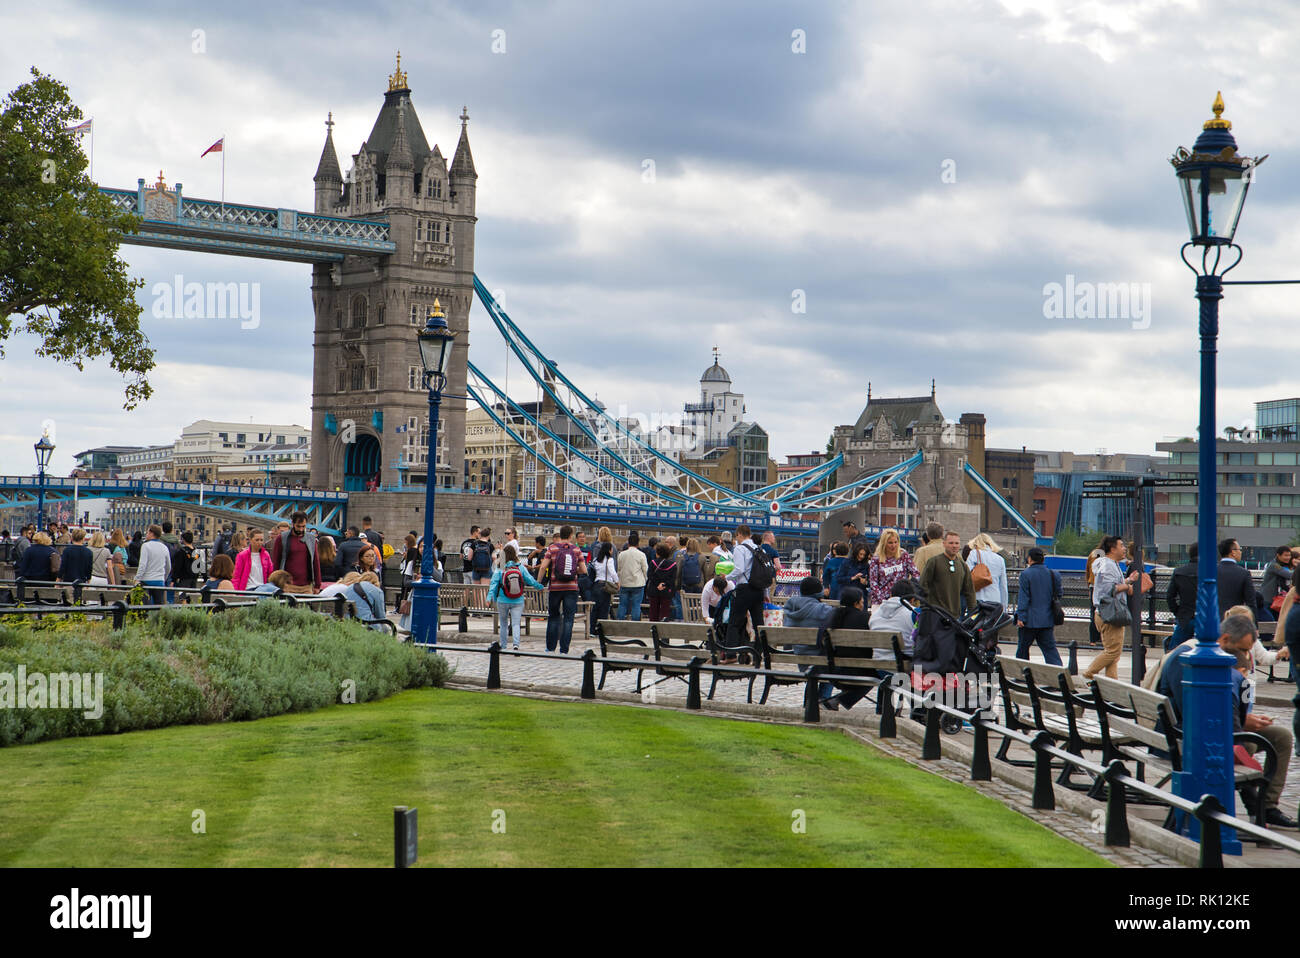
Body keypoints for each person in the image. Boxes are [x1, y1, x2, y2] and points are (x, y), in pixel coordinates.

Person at [1161, 613, 1296, 829]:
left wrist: (1244, 718)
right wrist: (1241, 723)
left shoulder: (1224, 665)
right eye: (1242, 650)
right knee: (1246, 742)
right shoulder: (1189, 656)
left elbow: (1224, 708)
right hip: (1186, 738)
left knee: (1281, 736)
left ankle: (1267, 806)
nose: (1244, 656)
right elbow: (1195, 714)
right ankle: (1255, 807)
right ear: (1224, 640)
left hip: (1214, 729)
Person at [1082, 535, 1140, 681]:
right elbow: (1108, 590)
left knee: (1113, 656)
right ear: (1113, 549)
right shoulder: (1108, 566)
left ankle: (1111, 686)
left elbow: (1107, 586)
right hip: (1110, 614)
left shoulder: (1108, 564)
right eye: (1121, 546)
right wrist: (1128, 587)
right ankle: (1088, 674)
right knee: (1113, 652)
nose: (1125, 548)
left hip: (1105, 613)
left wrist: (1128, 580)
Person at [782, 575, 836, 706]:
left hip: (800, 656)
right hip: (819, 659)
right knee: (832, 662)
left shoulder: (790, 608)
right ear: (819, 592)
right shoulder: (824, 610)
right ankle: (823, 699)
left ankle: (811, 701)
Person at [822, 587, 875, 710]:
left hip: (835, 669)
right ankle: (839, 700)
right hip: (860, 669)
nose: (863, 604)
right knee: (879, 674)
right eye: (862, 602)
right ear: (856, 603)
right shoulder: (865, 618)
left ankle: (836, 701)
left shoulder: (833, 616)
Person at [538, 525, 586, 653]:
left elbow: (543, 567)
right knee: (568, 618)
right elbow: (584, 570)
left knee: (553, 617)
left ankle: (550, 647)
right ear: (571, 536)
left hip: (555, 588)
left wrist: (539, 583)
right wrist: (573, 571)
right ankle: (564, 649)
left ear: (560, 535)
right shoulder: (576, 550)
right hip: (571, 588)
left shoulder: (552, 548)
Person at [488, 544, 543, 651]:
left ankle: (503, 646)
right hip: (518, 600)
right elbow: (530, 580)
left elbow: (493, 584)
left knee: (503, 624)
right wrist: (539, 586)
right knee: (516, 623)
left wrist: (489, 598)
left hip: (502, 600)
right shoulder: (520, 567)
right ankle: (516, 644)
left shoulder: (501, 568)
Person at [725, 525, 772, 649]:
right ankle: (760, 653)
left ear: (739, 534)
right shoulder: (760, 549)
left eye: (736, 536)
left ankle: (731, 653)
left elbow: (739, 569)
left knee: (734, 622)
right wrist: (766, 593)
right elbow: (763, 573)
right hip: (758, 590)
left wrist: (726, 577)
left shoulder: (740, 549)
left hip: (744, 590)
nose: (736, 539)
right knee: (758, 624)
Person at [1015, 547, 1063, 665]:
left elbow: (1024, 597)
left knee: (1023, 649)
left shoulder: (1025, 574)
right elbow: (1059, 594)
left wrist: (1021, 616)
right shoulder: (1053, 574)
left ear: (1030, 559)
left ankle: (1022, 674)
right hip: (1047, 619)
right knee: (1050, 650)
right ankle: (1058, 675)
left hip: (1029, 620)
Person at [917, 531, 977, 619]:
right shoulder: (934, 562)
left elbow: (970, 591)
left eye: (957, 543)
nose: (954, 546)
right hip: (935, 614)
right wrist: (926, 607)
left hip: (955, 616)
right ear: (944, 544)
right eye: (951, 543)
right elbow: (923, 585)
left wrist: (973, 614)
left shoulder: (963, 566)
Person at [272, 512, 323, 592]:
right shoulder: (281, 538)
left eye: (303, 526)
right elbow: (276, 561)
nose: (301, 529)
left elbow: (315, 562)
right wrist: (276, 584)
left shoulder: (311, 539)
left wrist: (317, 585)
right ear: (292, 523)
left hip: (306, 586)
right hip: (287, 585)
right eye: (298, 526)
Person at [869, 528, 919, 607]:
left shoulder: (903, 554)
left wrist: (912, 590)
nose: (893, 545)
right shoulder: (876, 559)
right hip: (882, 602)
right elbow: (873, 583)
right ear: (884, 544)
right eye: (890, 543)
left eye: (896, 542)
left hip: (902, 600)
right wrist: (883, 600)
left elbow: (915, 573)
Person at [872, 578, 918, 659]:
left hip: (878, 667)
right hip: (904, 667)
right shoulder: (914, 613)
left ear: (891, 595)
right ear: (912, 599)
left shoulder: (874, 615)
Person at [1165, 544, 1198, 651]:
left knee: (1175, 651)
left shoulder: (1179, 572)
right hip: (1205, 618)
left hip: (1185, 617)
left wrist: (1178, 612)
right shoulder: (1212, 572)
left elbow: (1170, 596)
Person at [965, 533, 1009, 609]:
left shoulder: (973, 554)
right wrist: (1004, 607)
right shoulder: (1000, 559)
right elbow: (1003, 586)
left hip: (977, 599)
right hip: (995, 599)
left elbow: (966, 575)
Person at [1217, 538, 1256, 617]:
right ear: (1233, 552)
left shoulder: (1210, 572)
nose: (1241, 552)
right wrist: (1254, 625)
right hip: (1235, 620)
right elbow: (1251, 602)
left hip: (1213, 620)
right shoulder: (1244, 573)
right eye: (1239, 549)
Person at [589, 527, 618, 631]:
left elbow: (592, 566)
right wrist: (616, 581)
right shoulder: (613, 548)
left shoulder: (596, 548)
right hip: (608, 583)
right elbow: (614, 568)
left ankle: (592, 629)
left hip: (597, 582)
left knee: (596, 608)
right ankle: (603, 630)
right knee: (605, 607)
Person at [136, 525, 172, 606]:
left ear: (152, 533)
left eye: (148, 532)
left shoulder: (145, 546)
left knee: (144, 607)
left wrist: (137, 579)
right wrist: (164, 578)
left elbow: (142, 565)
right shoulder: (164, 547)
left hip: (146, 581)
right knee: (159, 607)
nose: (146, 534)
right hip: (159, 581)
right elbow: (168, 566)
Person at [616, 531, 648, 621]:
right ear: (638, 543)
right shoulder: (641, 555)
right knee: (636, 605)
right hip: (637, 584)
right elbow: (645, 570)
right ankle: (635, 626)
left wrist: (619, 580)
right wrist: (644, 580)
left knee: (622, 605)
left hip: (624, 583)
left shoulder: (621, 554)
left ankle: (620, 623)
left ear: (628, 543)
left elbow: (619, 569)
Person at [647, 542, 678, 622]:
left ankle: (653, 629)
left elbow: (650, 575)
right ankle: (663, 631)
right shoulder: (673, 564)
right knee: (664, 612)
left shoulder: (653, 562)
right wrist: (664, 584)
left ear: (657, 552)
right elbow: (672, 578)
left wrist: (657, 584)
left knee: (653, 612)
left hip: (654, 589)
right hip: (666, 591)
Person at [1260, 545, 1293, 619]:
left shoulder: (1281, 565)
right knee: (1270, 621)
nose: (1288, 557)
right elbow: (1289, 575)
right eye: (1286, 555)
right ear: (1278, 555)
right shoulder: (1274, 565)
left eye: (1289, 555)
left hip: (1274, 600)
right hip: (1268, 599)